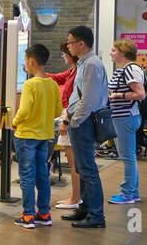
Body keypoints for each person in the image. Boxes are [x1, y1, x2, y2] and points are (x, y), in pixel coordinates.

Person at [11, 44, 63, 229]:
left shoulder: (30, 84)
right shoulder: (52, 84)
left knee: (26, 175)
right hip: (46, 135)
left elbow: (24, 110)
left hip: (26, 135)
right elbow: (58, 110)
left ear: (32, 61)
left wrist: (15, 121)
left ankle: (28, 216)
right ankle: (44, 213)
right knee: (42, 174)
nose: (25, 64)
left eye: (26, 60)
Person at [62, 26, 108, 229]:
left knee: (88, 169)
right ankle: (86, 207)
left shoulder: (91, 64)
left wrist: (75, 119)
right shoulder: (85, 63)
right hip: (79, 120)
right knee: (81, 167)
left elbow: (88, 99)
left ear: (81, 43)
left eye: (70, 41)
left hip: (83, 121)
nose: (68, 45)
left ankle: (96, 215)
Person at [107, 38, 146, 205]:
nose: (111, 53)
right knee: (128, 156)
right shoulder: (124, 70)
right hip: (123, 117)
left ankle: (128, 193)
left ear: (123, 52)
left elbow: (140, 94)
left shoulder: (130, 70)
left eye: (114, 50)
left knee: (128, 157)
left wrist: (118, 96)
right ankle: (132, 191)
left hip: (126, 117)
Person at [45, 41, 81, 210]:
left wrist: (65, 120)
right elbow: (57, 77)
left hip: (70, 117)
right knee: (73, 160)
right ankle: (75, 196)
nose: (63, 56)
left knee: (74, 161)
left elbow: (77, 100)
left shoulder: (78, 71)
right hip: (69, 116)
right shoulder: (73, 70)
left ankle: (75, 198)